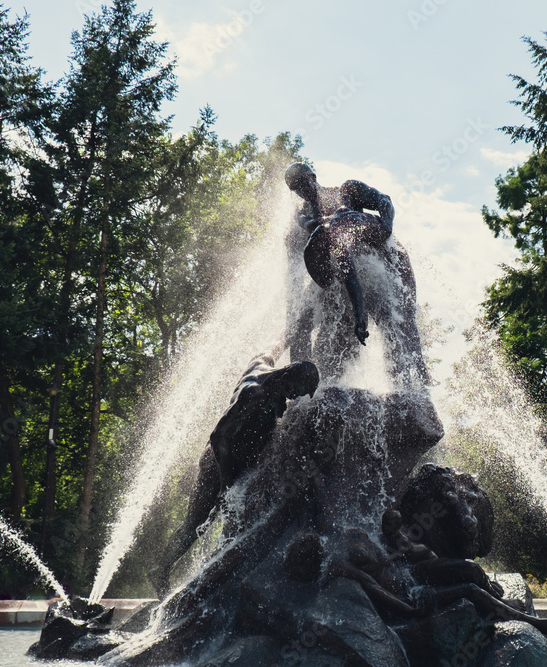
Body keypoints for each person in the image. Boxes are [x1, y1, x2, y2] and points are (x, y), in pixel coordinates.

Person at [151, 355, 320, 596]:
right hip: (220, 466)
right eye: (297, 391)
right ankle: (161, 569)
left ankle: (217, 577)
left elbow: (263, 355)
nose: (296, 398)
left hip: (246, 465)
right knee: (198, 523)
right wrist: (225, 483)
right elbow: (218, 437)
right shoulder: (254, 394)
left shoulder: (265, 369)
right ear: (289, 377)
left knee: (238, 520)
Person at [283, 163, 430, 385]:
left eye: (302, 183)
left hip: (376, 265)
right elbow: (311, 233)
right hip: (339, 273)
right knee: (308, 326)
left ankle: (413, 385)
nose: (300, 190)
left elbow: (384, 201)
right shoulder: (304, 215)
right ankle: (303, 389)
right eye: (294, 188)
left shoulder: (347, 191)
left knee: (397, 321)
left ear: (312, 177)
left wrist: (386, 227)